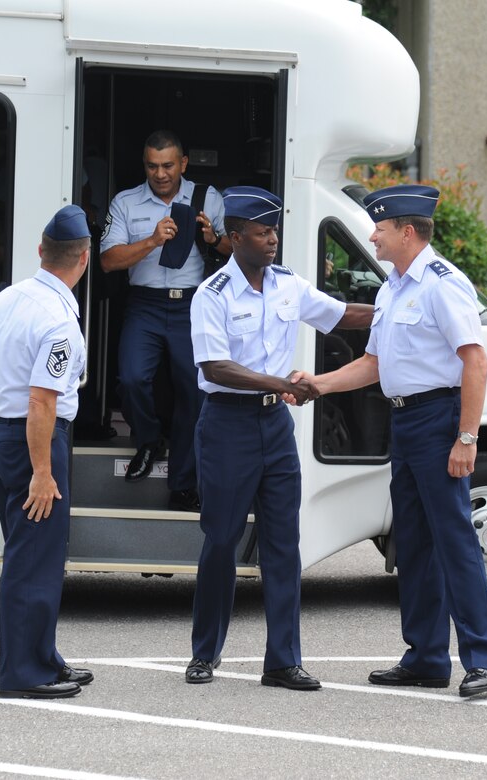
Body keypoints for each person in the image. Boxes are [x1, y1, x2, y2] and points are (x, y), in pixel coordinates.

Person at [289, 184, 487, 698]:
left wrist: (466, 437)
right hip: (405, 423)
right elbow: (375, 364)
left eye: (380, 230)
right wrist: (319, 386)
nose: (372, 237)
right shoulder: (394, 287)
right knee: (414, 543)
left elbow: (475, 360)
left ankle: (484, 659)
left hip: (439, 419)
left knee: (453, 540)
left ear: (407, 232)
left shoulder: (441, 284)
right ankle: (427, 657)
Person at [186, 186, 373, 689]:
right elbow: (215, 366)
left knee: (283, 545)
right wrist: (284, 384)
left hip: (275, 427)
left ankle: (283, 660)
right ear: (234, 237)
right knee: (221, 541)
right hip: (227, 425)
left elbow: (339, 313)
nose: (273, 240)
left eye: (274, 232)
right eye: (263, 233)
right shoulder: (212, 295)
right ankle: (205, 651)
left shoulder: (288, 285)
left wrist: (400, 310)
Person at [0, 205, 95, 699]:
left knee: (31, 554)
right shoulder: (60, 321)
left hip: (5, 434)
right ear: (83, 259)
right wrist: (42, 470)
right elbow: (43, 399)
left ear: (41, 251)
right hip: (35, 440)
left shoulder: (7, 299)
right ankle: (24, 674)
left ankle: (43, 657)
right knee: (34, 560)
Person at [100, 130, 232, 511]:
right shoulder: (126, 202)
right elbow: (108, 261)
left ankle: (183, 484)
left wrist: (213, 238)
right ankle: (149, 440)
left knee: (194, 389)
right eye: (152, 166)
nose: (160, 174)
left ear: (183, 164)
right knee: (131, 377)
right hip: (145, 304)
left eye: (168, 166)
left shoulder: (208, 198)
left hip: (194, 304)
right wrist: (152, 241)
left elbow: (233, 250)